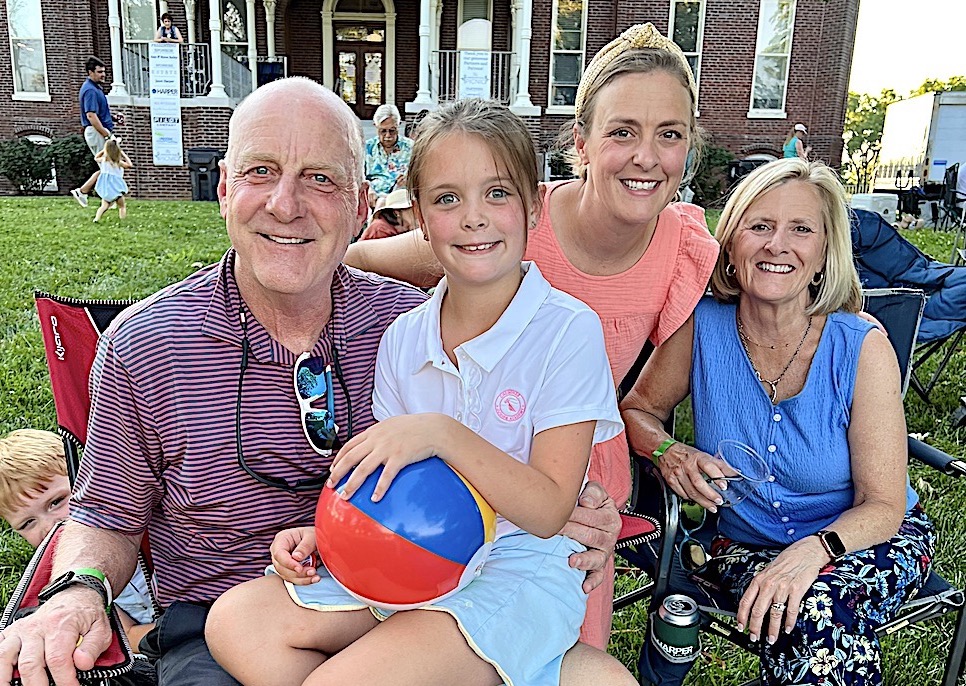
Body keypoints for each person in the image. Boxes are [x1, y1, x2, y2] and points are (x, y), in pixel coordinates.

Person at [0, 77, 627, 686]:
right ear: (222, 189)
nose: (286, 204)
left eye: (319, 179)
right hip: (248, 604)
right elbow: (105, 514)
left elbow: (518, 481)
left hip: (420, 577)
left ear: (361, 208)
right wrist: (74, 592)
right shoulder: (147, 344)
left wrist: (583, 512)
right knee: (233, 625)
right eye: (260, 172)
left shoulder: (391, 321)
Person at [207, 98, 633, 686]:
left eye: (498, 193)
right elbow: (389, 487)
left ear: (535, 203)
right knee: (234, 621)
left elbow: (548, 510)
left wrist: (442, 434)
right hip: (416, 559)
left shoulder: (566, 330)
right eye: (447, 198)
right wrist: (335, 535)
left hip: (520, 570)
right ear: (420, 220)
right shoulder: (404, 338)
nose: (474, 218)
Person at [344, 22, 720, 647]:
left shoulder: (682, 250)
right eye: (622, 132)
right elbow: (376, 255)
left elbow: (645, 408)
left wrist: (662, 451)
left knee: (556, 644)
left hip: (580, 482)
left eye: (670, 135)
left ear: (688, 148)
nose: (646, 157)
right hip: (481, 462)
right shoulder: (510, 218)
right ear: (583, 142)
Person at [621, 157, 935, 685]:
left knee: (812, 608)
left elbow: (882, 506)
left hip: (870, 541)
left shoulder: (860, 345)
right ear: (732, 242)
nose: (776, 245)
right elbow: (637, 409)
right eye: (760, 226)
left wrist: (812, 554)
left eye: (801, 230)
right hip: (744, 546)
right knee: (806, 615)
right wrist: (667, 452)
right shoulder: (702, 325)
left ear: (824, 253)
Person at [0, 429, 156, 648]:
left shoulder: (147, 527)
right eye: (27, 523)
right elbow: (126, 636)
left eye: (56, 502)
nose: (49, 526)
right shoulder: (58, 581)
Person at [71, 57, 124, 208]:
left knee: (109, 167)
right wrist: (106, 134)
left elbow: (99, 113)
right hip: (96, 132)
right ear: (90, 72)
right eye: (99, 72)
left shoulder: (96, 88)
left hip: (99, 131)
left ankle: (106, 198)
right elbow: (91, 116)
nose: (103, 75)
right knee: (108, 167)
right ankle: (83, 192)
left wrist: (113, 117)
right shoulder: (90, 90)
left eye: (104, 71)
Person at [364, 103, 413, 208]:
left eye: (392, 131)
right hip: (372, 196)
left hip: (400, 198)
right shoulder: (367, 148)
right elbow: (358, 176)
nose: (387, 136)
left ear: (398, 125)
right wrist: (368, 189)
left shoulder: (411, 148)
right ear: (375, 127)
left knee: (383, 203)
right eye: (383, 131)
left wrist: (409, 180)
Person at [92, 137, 132, 222]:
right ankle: (123, 220)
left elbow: (96, 158)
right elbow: (129, 165)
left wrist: (103, 150)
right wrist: (123, 154)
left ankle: (97, 218)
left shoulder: (103, 160)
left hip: (107, 188)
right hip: (116, 188)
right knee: (122, 206)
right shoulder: (118, 162)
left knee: (104, 206)